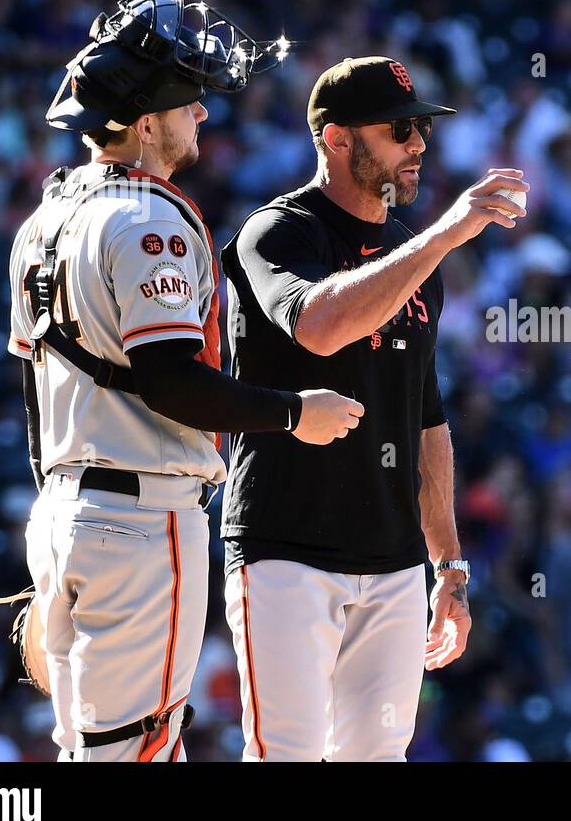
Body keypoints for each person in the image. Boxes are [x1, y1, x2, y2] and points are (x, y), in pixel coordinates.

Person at [7, 0, 362, 762]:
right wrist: (294, 412)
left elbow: (34, 394)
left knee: (86, 750)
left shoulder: (45, 217)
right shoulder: (148, 218)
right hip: (139, 519)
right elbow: (170, 382)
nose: (201, 115)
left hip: (63, 513)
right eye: (188, 102)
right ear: (144, 123)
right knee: (140, 751)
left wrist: (62, 531)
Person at [220, 56, 529, 761]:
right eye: (400, 129)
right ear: (335, 138)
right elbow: (321, 328)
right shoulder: (277, 232)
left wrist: (450, 568)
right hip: (284, 547)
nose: (419, 144)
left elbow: (427, 419)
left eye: (421, 127)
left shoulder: (412, 253)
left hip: (392, 561)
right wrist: (444, 236)